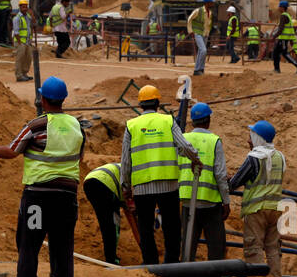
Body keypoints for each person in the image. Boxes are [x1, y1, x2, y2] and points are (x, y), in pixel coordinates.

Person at [0, 77, 84, 277]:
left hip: (38, 197)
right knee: (62, 246)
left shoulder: (36, 125)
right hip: (66, 198)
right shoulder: (76, 126)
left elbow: (11, 151)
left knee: (30, 242)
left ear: (42, 99)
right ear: (63, 99)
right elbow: (79, 156)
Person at [120, 84, 201, 264]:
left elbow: (126, 161)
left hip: (142, 187)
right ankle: (171, 264)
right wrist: (196, 159)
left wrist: (125, 186)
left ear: (141, 105)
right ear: (157, 102)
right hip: (168, 185)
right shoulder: (168, 121)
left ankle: (151, 265)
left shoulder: (131, 125)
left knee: (146, 228)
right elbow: (184, 146)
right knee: (172, 227)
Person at [232, 119, 286, 277]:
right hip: (275, 209)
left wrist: (225, 182)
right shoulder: (280, 157)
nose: (248, 140)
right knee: (273, 248)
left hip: (256, 209)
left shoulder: (255, 158)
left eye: (251, 136)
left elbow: (234, 182)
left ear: (258, 138)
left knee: (253, 247)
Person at [179, 103, 229, 261]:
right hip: (210, 202)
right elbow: (220, 175)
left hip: (187, 200)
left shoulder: (183, 138)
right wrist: (226, 201)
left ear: (192, 122)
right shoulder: (214, 141)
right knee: (216, 246)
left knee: (188, 243)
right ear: (208, 121)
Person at [83, 160, 123, 265]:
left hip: (89, 182)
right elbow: (127, 196)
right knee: (112, 224)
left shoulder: (122, 167)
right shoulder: (134, 173)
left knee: (106, 223)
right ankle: (111, 259)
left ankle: (110, 257)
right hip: (104, 184)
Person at [188, 0, 215, 75]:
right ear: (207, 3)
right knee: (203, 50)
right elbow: (189, 19)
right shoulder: (198, 11)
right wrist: (190, 31)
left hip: (205, 34)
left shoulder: (210, 13)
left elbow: (208, 24)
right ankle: (197, 69)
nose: (212, 3)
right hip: (197, 33)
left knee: (201, 51)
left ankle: (200, 69)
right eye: (211, 2)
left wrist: (208, 33)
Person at [273, 0, 297, 73]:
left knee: (283, 53)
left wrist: (274, 36)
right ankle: (277, 69)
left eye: (279, 7)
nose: (278, 8)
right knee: (277, 52)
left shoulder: (283, 16)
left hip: (283, 39)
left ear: (282, 7)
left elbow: (281, 29)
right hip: (284, 39)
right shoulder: (288, 15)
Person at [13, 0, 35, 82]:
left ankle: (24, 73)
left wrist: (32, 15)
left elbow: (33, 24)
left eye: (26, 7)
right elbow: (16, 32)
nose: (25, 8)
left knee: (28, 58)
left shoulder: (28, 17)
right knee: (20, 59)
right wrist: (20, 42)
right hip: (20, 42)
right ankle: (19, 76)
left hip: (27, 42)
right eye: (23, 7)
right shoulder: (17, 18)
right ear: (20, 7)